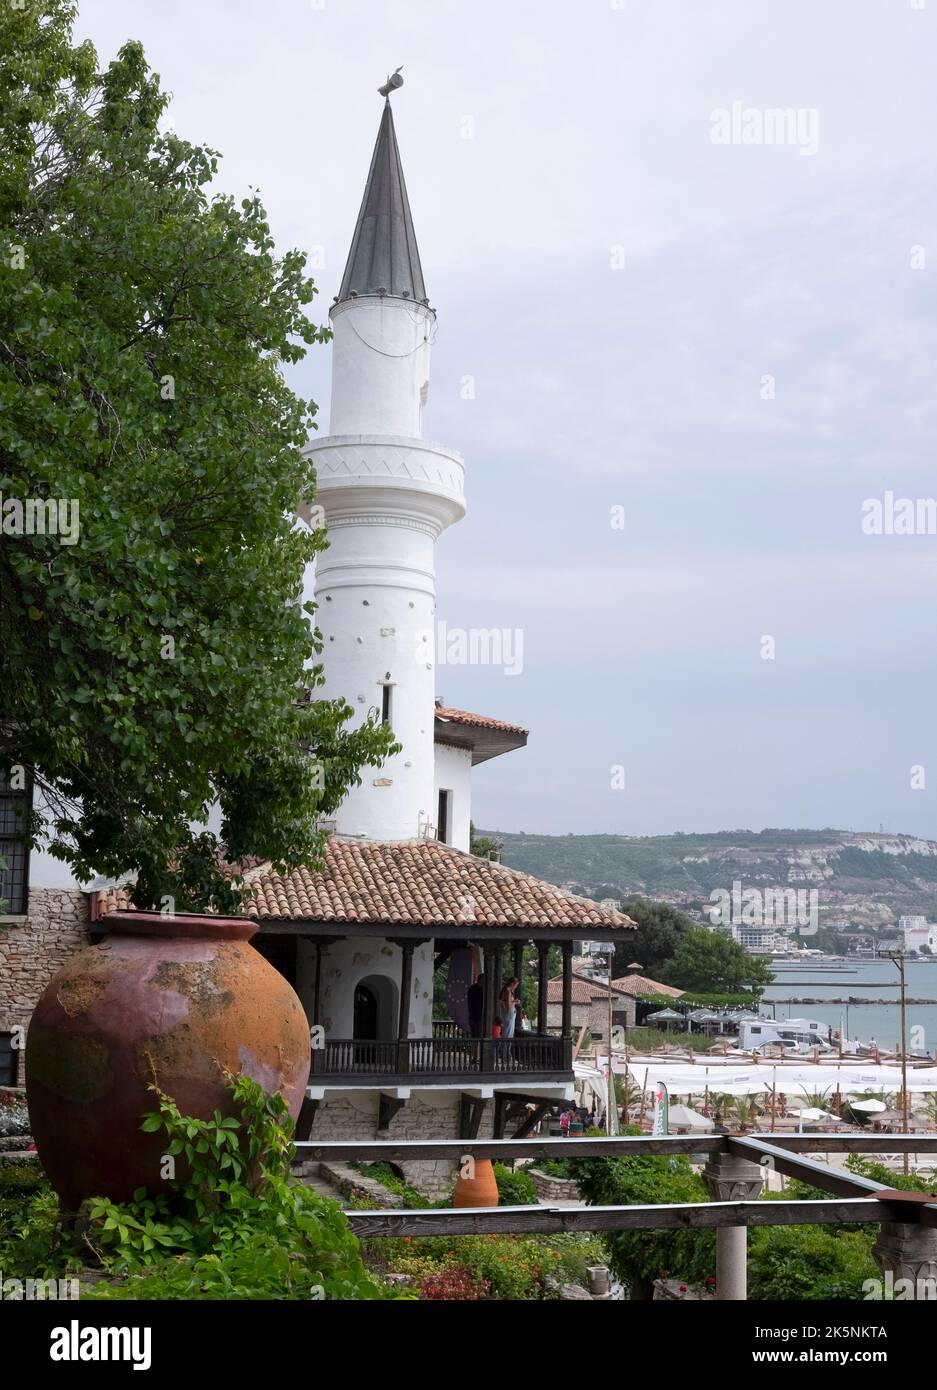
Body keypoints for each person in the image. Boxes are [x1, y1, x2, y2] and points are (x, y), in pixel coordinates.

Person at [467, 973, 484, 1039]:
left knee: (474, 1036)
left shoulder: (472, 988)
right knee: (477, 1036)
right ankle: (476, 1049)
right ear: (481, 980)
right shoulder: (479, 989)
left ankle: (475, 1049)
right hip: (477, 1016)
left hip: (473, 1016)